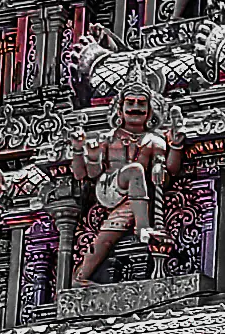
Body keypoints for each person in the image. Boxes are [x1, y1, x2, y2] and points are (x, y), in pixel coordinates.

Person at [69, 77, 184, 286]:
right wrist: (85, 152)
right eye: (130, 102)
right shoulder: (108, 138)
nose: (135, 107)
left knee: (109, 233)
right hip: (108, 188)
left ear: (150, 112)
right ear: (119, 111)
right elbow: (88, 174)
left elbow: (170, 171)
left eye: (141, 103)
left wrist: (175, 147)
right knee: (135, 170)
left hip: (136, 195)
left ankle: (81, 276)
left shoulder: (154, 141)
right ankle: (142, 227)